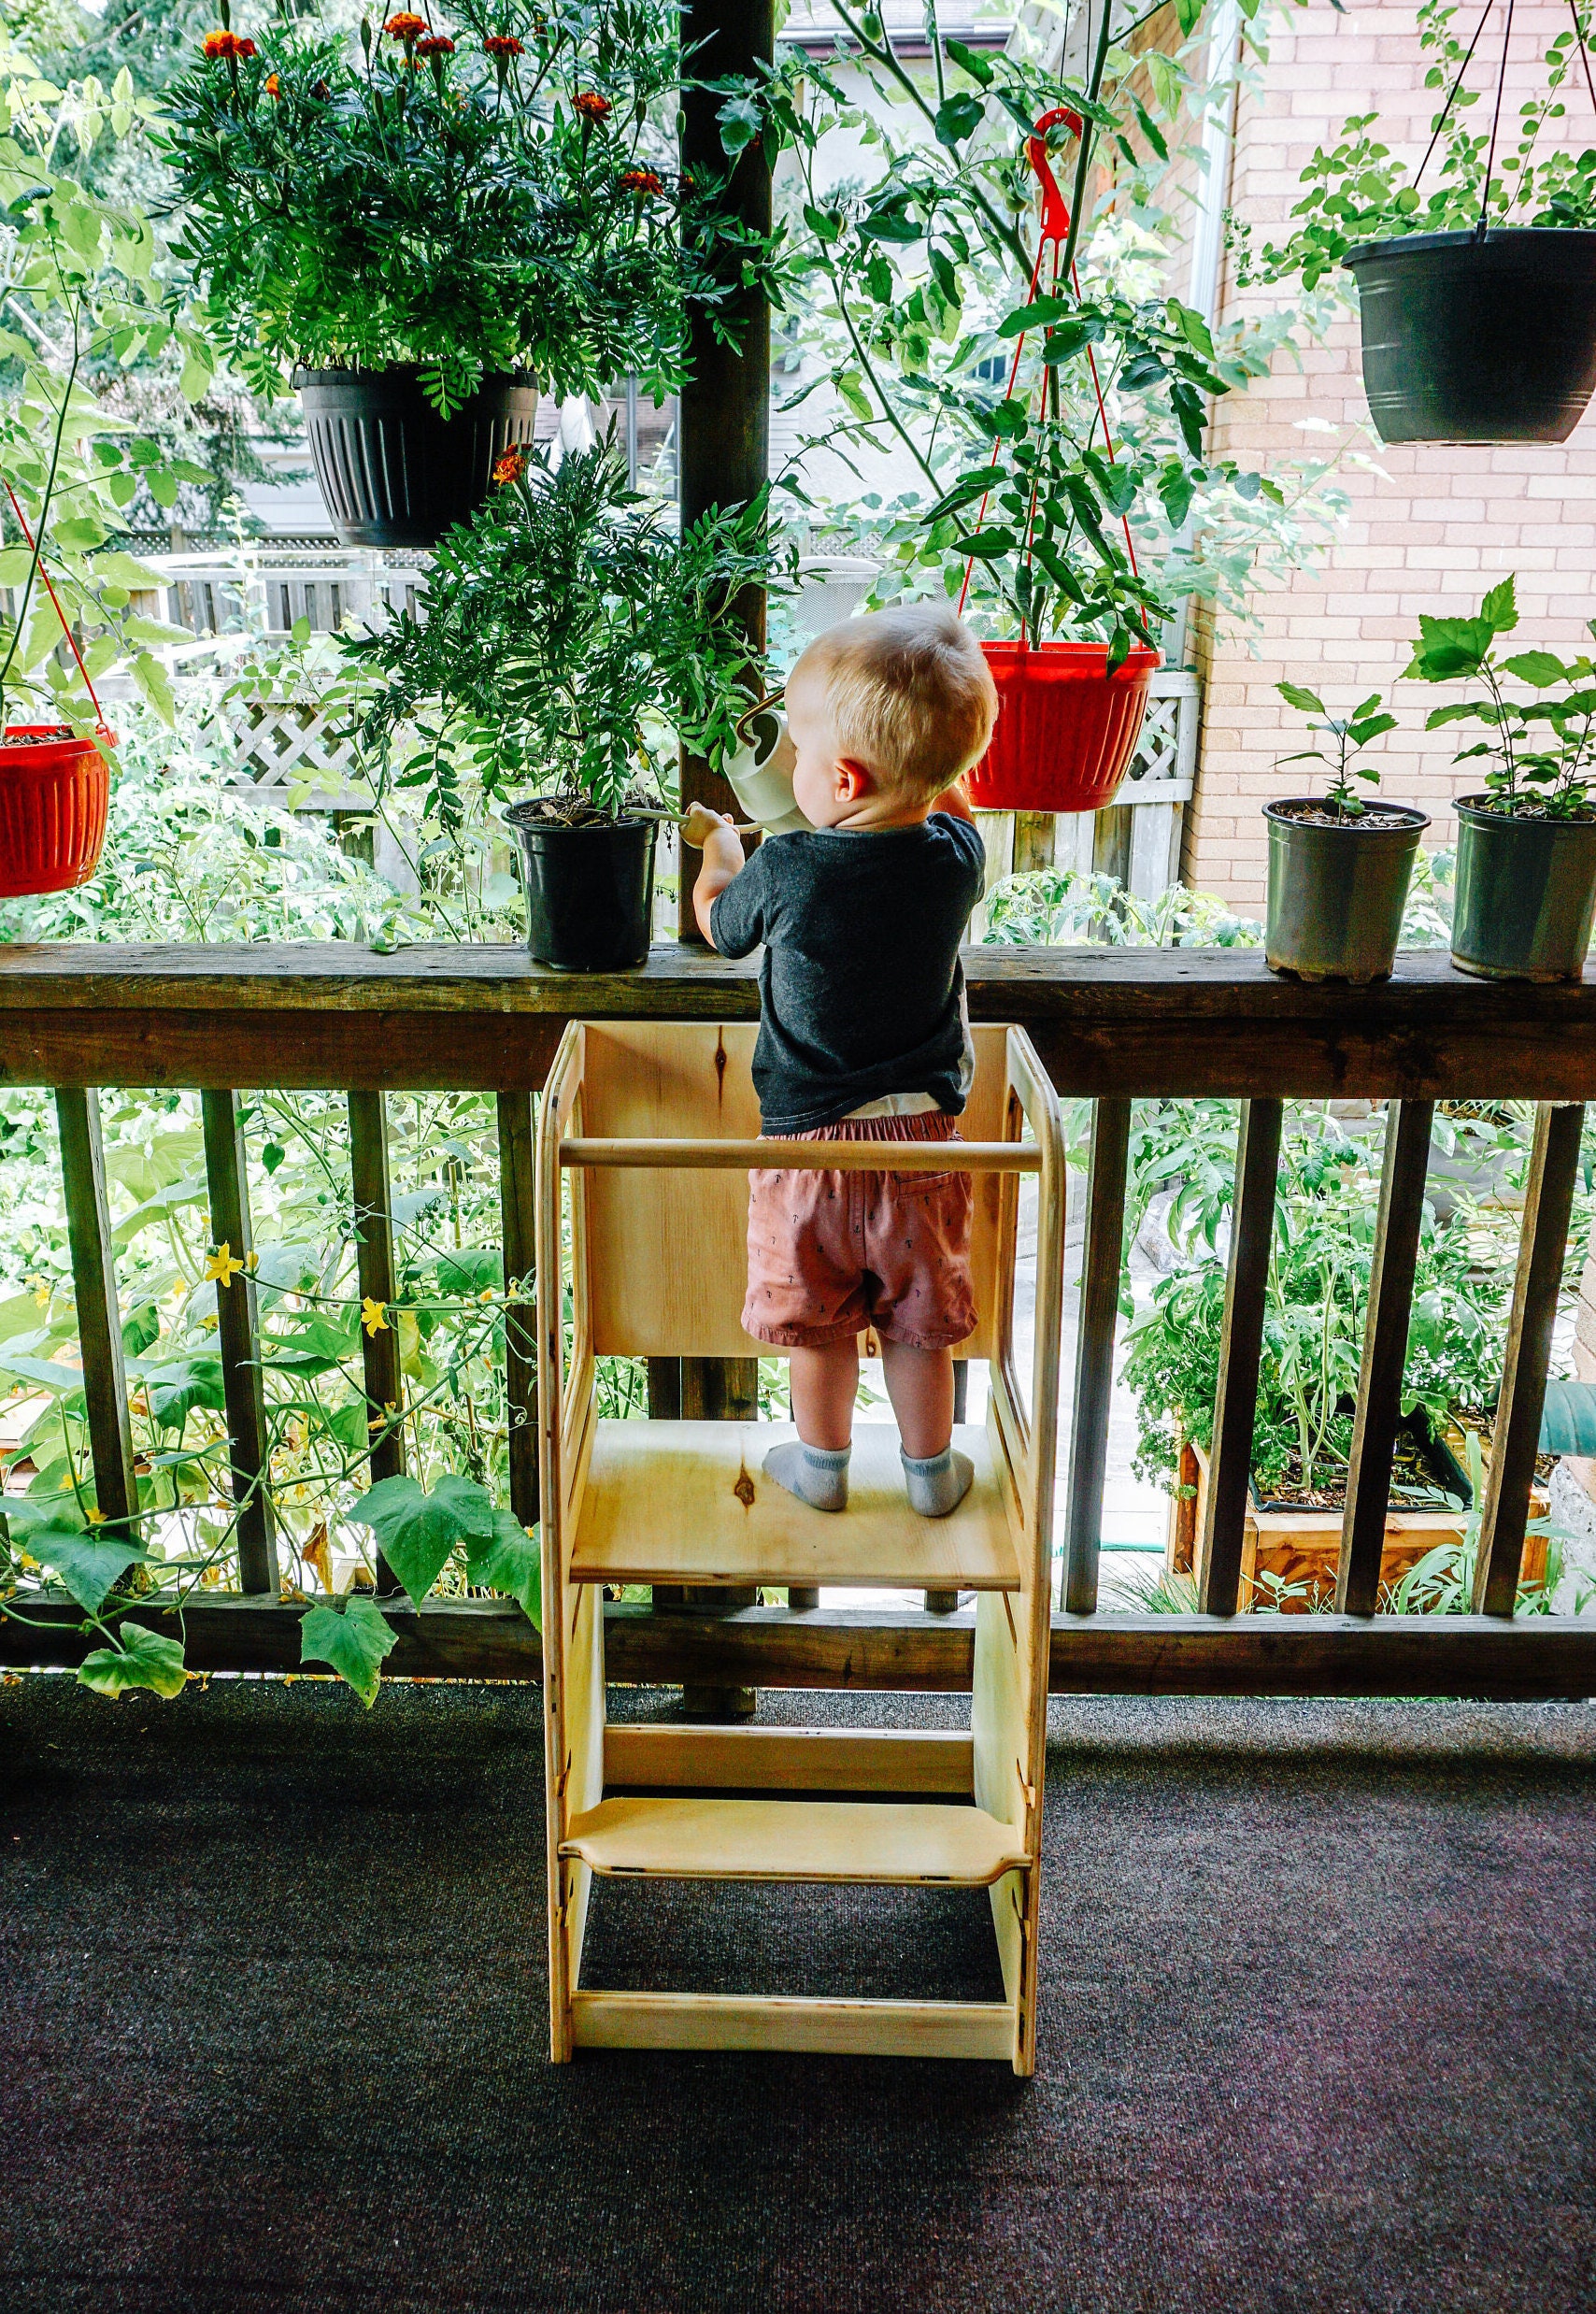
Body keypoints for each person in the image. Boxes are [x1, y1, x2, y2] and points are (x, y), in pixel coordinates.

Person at [689, 603, 996, 1519]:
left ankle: (821, 1465)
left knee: (819, 1323)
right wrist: (931, 761)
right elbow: (946, 797)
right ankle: (930, 1471)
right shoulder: (954, 858)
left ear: (843, 775)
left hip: (809, 1150)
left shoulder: (785, 867)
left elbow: (720, 927)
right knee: (915, 1323)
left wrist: (718, 854)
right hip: (920, 1148)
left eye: (799, 756)